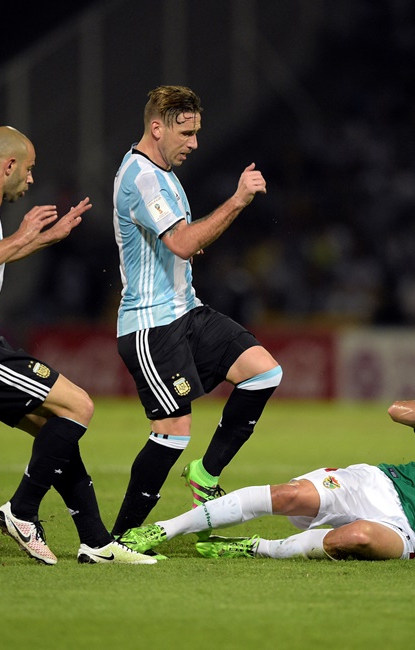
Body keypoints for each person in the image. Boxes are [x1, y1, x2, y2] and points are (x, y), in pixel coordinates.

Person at [0, 126, 155, 565]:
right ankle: (21, 510)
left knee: (58, 435)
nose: (31, 181)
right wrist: (20, 237)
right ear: (8, 165)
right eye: (28, 170)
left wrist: (38, 240)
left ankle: (96, 541)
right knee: (79, 407)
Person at [119, 380, 415, 561]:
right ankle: (157, 532)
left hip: (413, 536)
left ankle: (254, 548)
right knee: (290, 496)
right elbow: (397, 410)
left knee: (357, 539)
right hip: (381, 483)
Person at [109, 85, 282, 540]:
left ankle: (205, 476)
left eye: (197, 132)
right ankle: (117, 539)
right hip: (152, 325)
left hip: (187, 312)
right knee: (172, 433)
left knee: (263, 372)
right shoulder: (143, 177)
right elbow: (183, 242)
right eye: (186, 133)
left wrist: (191, 240)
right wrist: (239, 200)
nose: (195, 143)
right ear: (157, 127)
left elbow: (181, 243)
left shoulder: (163, 174)